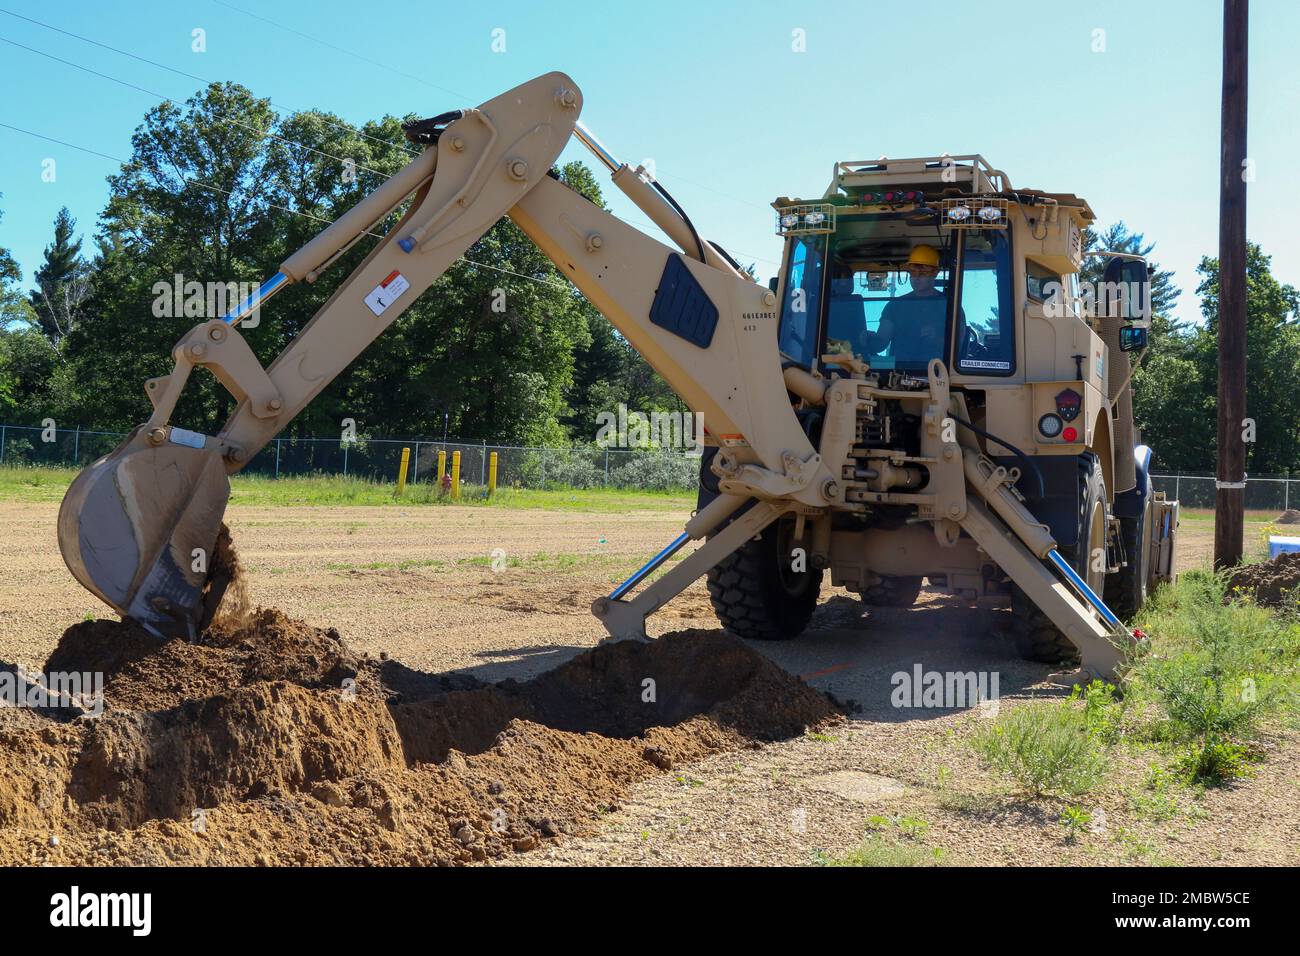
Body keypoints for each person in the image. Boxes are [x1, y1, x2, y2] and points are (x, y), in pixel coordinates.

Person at [863, 245, 952, 364]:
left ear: (935, 273)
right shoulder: (895, 306)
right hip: (898, 372)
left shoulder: (950, 306)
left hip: (938, 373)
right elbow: (881, 343)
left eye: (923, 272)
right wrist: (867, 339)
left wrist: (935, 339)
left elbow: (957, 346)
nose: (917, 277)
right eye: (913, 272)